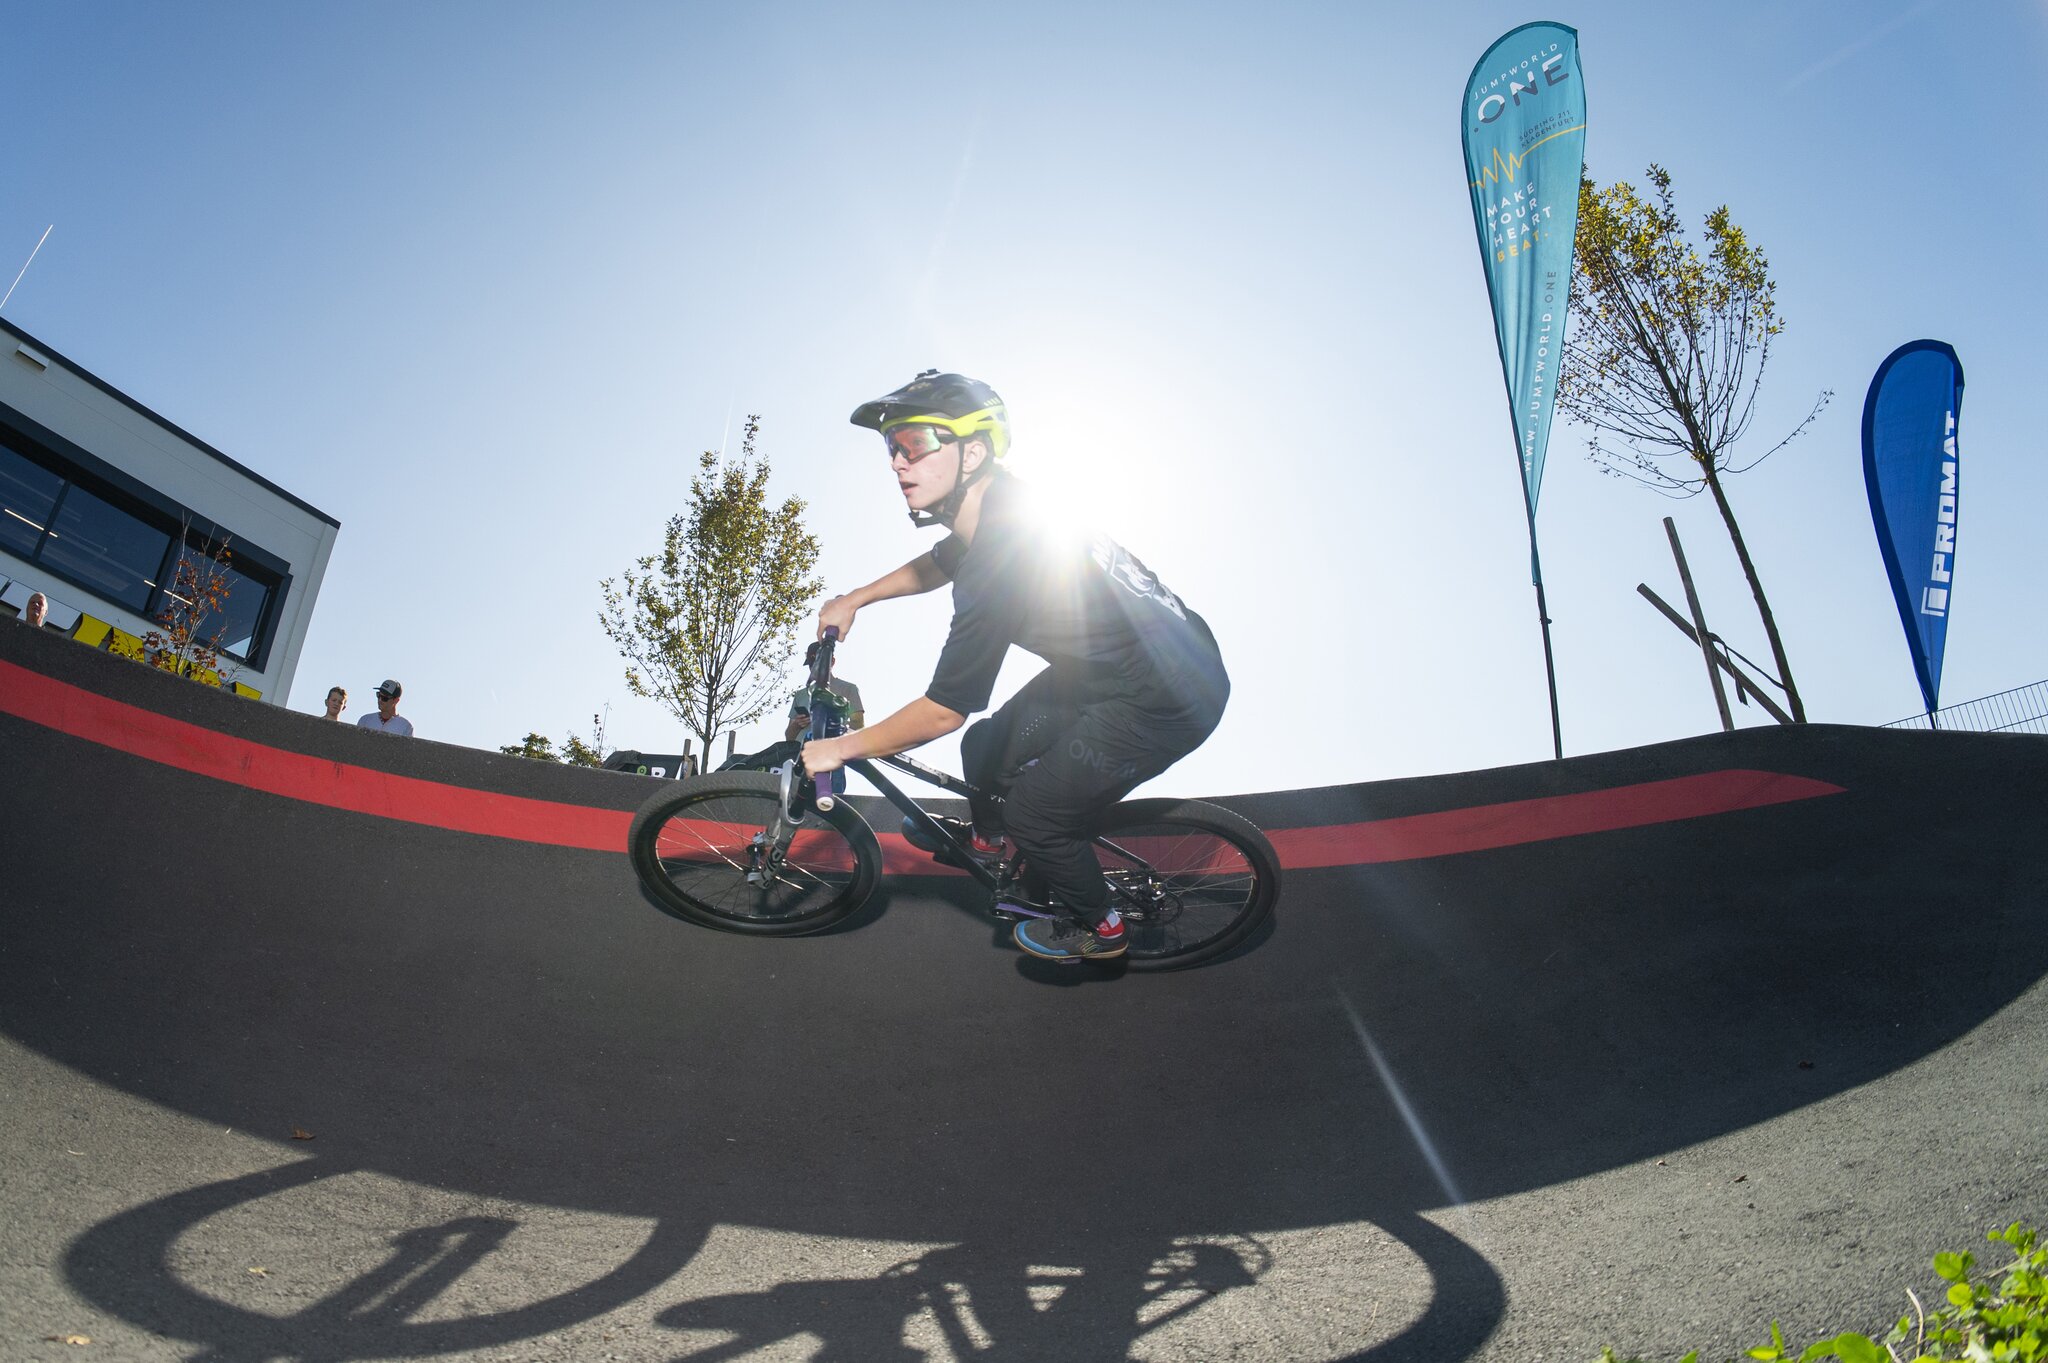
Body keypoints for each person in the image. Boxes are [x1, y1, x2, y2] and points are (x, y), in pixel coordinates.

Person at [800, 371, 1229, 963]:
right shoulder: (1001, 504)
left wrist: (842, 748)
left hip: (1167, 698)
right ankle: (987, 840)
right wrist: (855, 599)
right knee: (986, 746)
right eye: (892, 446)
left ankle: (1102, 928)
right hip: (1127, 663)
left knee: (1038, 815)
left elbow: (944, 709)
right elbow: (939, 561)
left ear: (972, 451)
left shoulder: (1001, 561)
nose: (899, 463)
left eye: (917, 444)